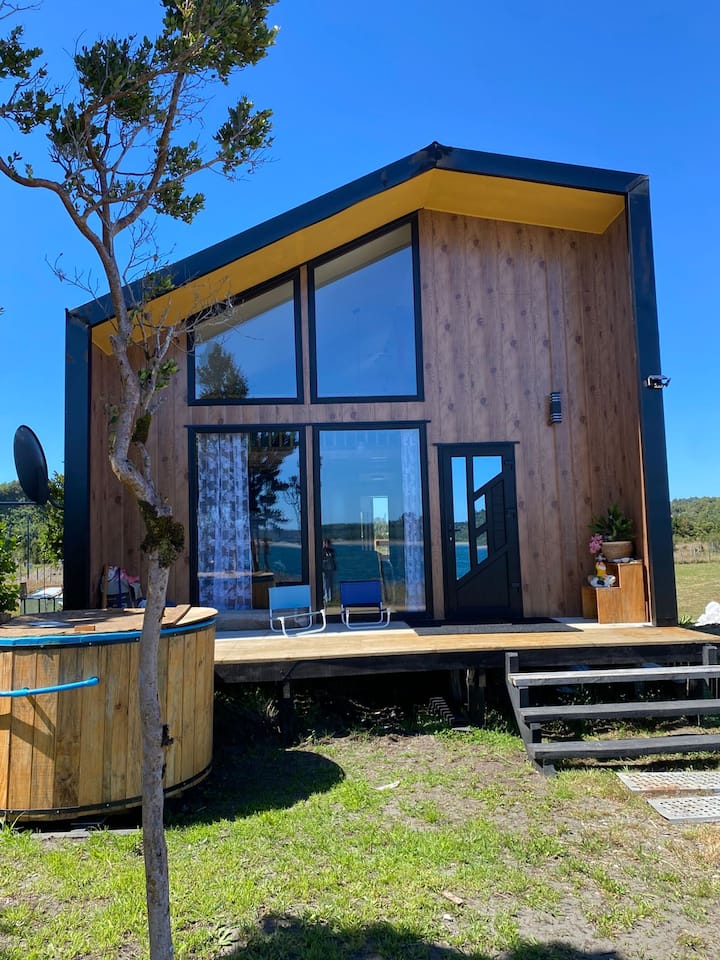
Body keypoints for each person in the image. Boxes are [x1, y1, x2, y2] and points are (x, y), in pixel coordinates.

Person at [321, 538, 336, 603]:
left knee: (330, 584)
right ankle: (326, 597)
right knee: (325, 584)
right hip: (325, 569)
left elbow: (333, 559)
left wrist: (334, 568)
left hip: (331, 569)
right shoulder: (322, 551)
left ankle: (330, 598)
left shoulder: (331, 550)